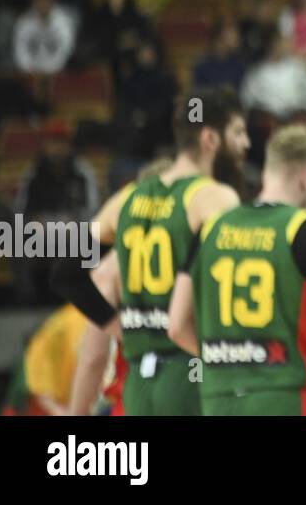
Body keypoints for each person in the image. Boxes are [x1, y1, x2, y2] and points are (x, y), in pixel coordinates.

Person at [51, 88, 247, 415]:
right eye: (239, 133)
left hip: (139, 384)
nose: (247, 145)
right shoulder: (214, 197)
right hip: (192, 375)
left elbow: (65, 273)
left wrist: (119, 327)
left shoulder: (127, 197)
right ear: (210, 139)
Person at [169, 123, 306, 415]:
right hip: (283, 399)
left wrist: (230, 361)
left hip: (219, 401)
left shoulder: (209, 229)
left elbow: (175, 326)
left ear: (267, 172)